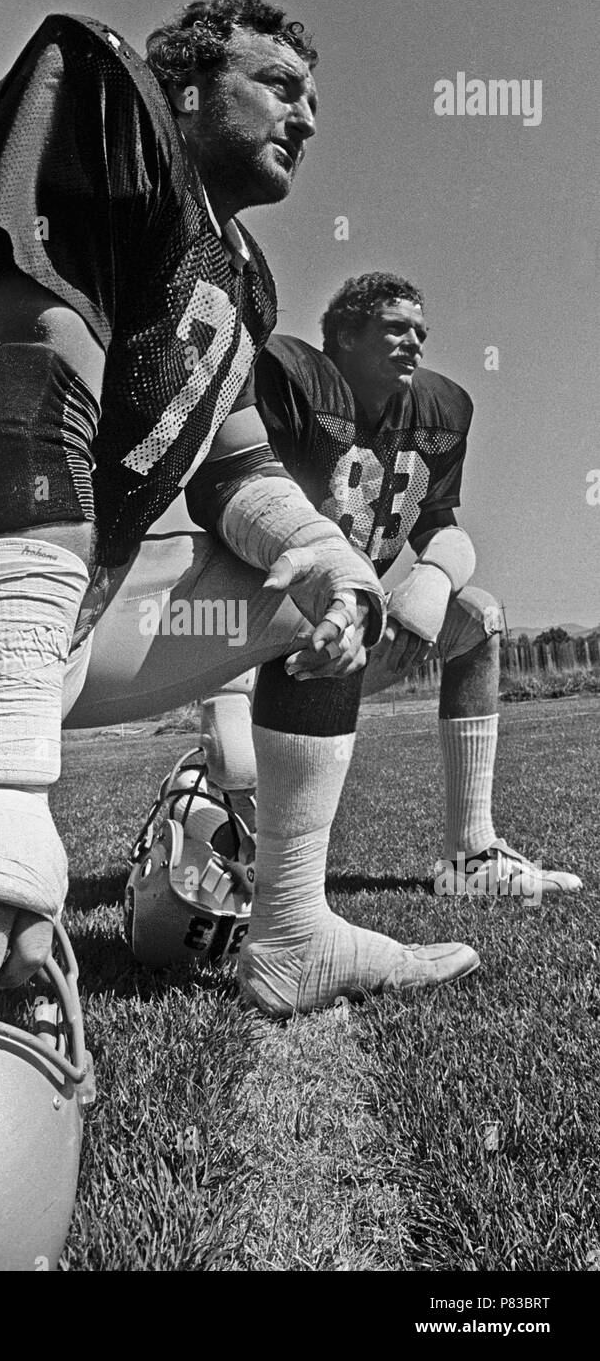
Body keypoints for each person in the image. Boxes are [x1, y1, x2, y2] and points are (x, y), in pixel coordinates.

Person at [0, 0, 325, 1011]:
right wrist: (1, 774)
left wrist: (325, 550)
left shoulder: (245, 277)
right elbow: (22, 398)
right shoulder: (101, 95)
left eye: (312, 99)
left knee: (326, 603)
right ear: (183, 88)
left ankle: (297, 923)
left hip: (85, 611)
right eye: (277, 85)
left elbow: (236, 472)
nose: (305, 118)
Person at [64, 272, 579, 1016]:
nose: (415, 342)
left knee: (480, 617)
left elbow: (443, 527)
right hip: (258, 617)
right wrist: (225, 701)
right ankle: (218, 783)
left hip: (345, 628)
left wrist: (431, 579)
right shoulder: (292, 379)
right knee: (242, 757)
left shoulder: (438, 411)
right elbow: (237, 511)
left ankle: (471, 851)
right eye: (395, 328)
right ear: (342, 335)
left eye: (421, 331)